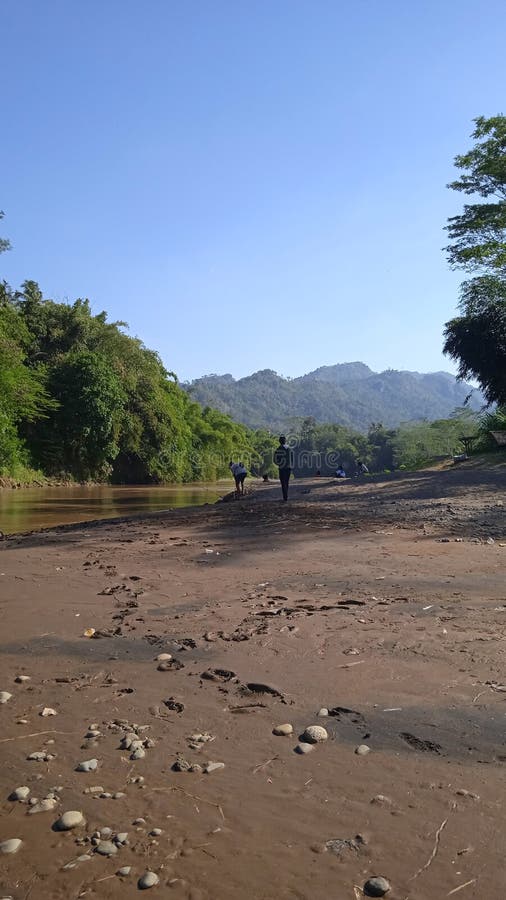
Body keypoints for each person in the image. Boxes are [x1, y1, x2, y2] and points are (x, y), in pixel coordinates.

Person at [273, 435, 292, 501]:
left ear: (279, 441)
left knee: (283, 482)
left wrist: (279, 464)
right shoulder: (289, 449)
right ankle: (286, 495)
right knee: (286, 482)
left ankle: (285, 496)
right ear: (285, 441)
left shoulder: (278, 449)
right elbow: (292, 458)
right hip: (288, 468)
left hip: (282, 468)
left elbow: (275, 460)